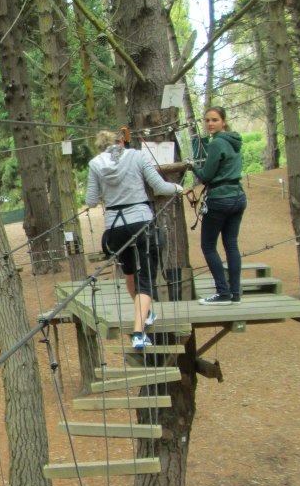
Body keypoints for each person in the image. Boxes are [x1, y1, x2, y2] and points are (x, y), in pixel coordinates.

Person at [86, 129, 184, 349]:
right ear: (120, 143)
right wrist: (178, 188)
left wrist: (108, 194)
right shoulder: (138, 156)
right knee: (146, 278)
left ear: (100, 147)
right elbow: (159, 187)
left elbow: (90, 200)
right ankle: (139, 333)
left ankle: (146, 314)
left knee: (129, 271)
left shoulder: (95, 164)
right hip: (141, 222)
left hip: (115, 227)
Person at [193, 106, 246, 305]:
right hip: (238, 197)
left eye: (214, 120)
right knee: (231, 245)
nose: (209, 124)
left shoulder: (217, 143)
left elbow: (206, 176)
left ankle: (223, 293)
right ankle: (235, 294)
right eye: (206, 120)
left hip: (220, 199)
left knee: (208, 246)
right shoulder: (235, 141)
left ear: (223, 121)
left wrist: (193, 166)